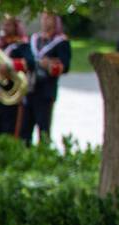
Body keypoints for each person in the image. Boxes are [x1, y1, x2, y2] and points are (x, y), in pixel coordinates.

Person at [25, 10, 71, 144]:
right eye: (43, 18)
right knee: (25, 127)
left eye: (49, 19)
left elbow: (65, 66)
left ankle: (43, 155)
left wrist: (50, 65)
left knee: (43, 127)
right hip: (29, 88)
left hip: (46, 90)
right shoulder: (34, 39)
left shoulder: (61, 41)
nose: (45, 21)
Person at [0, 16, 33, 141]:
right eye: (4, 24)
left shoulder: (21, 45)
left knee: (10, 134)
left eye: (9, 25)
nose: (5, 28)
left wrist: (11, 66)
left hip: (13, 95)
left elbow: (30, 62)